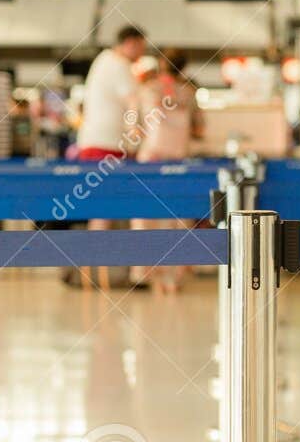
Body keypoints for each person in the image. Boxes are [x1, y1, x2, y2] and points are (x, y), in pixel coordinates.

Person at [130, 50, 204, 293]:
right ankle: (174, 277)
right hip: (178, 163)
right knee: (178, 217)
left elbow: (133, 128)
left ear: (161, 64)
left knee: (146, 215)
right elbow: (199, 129)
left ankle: (146, 273)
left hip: (150, 160)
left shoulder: (146, 89)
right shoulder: (189, 92)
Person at [76, 25, 147, 164]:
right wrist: (134, 131)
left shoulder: (104, 59)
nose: (142, 54)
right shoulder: (119, 64)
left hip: (93, 142)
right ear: (131, 43)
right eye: (141, 48)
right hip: (108, 145)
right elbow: (132, 102)